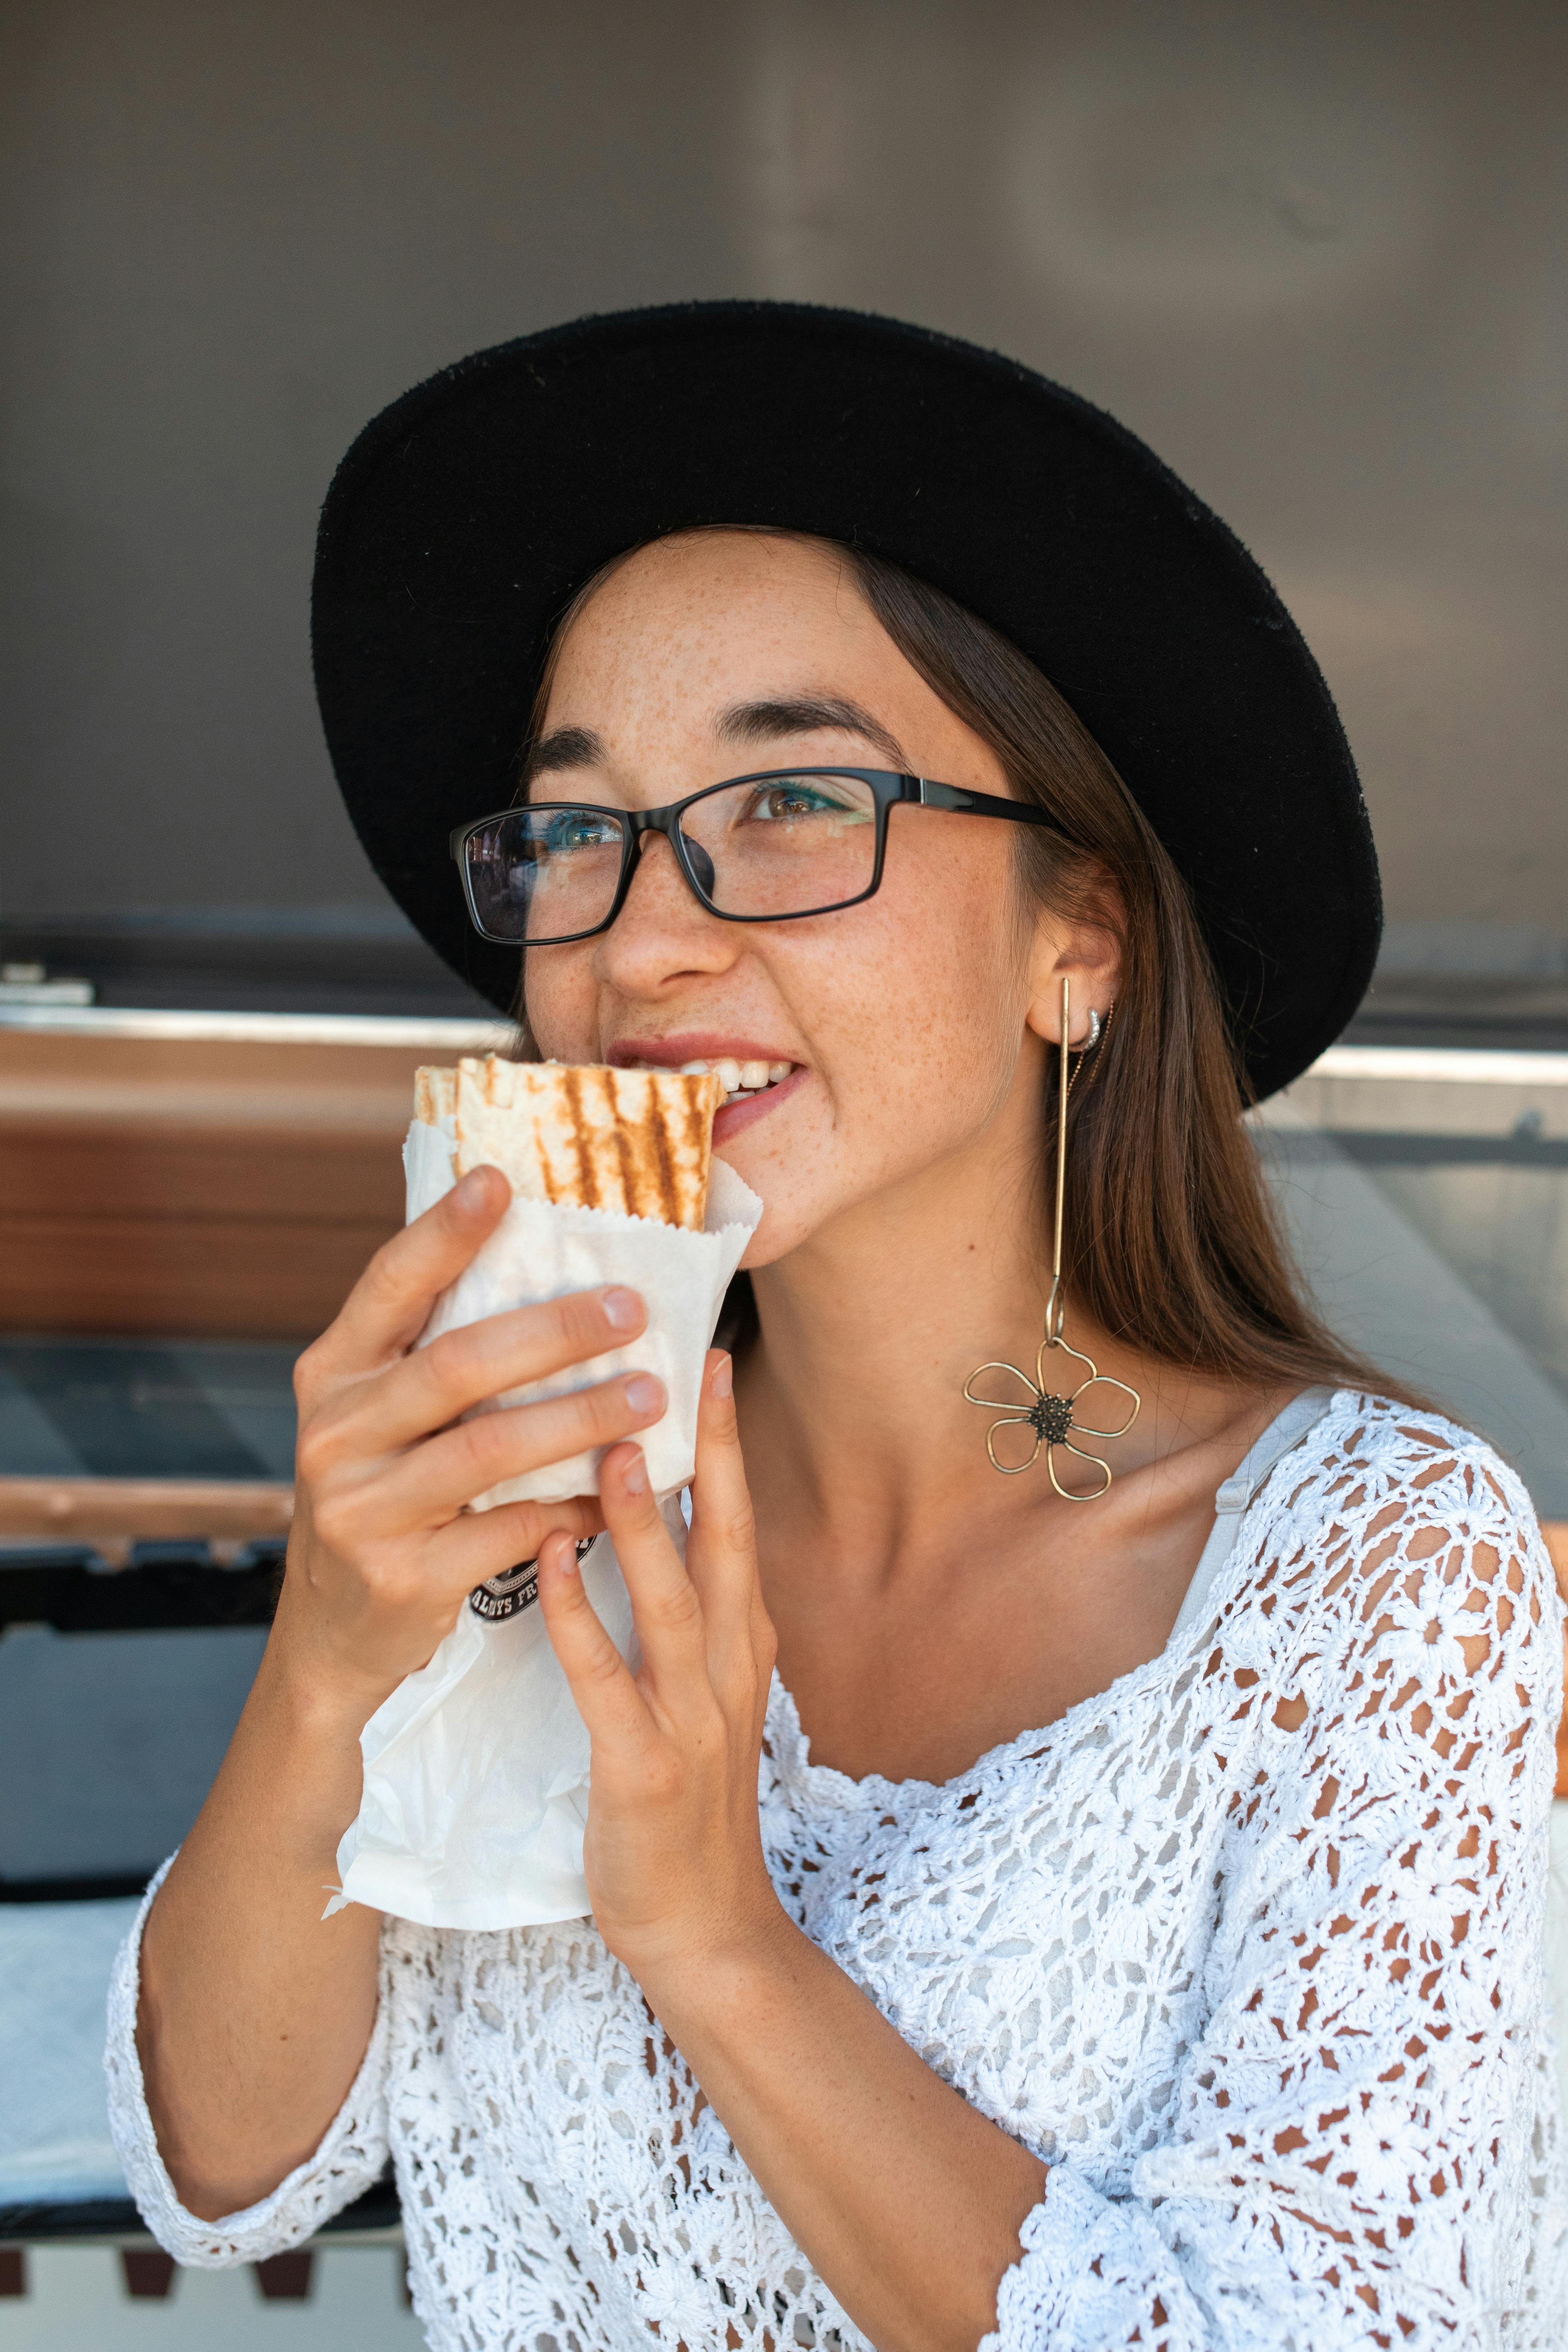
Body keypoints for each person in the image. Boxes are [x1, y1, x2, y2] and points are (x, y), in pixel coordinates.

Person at [107, 305, 1567, 2350]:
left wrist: (721, 1943)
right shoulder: (538, 1498)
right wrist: (337, 1641)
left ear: (1084, 937)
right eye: (578, 831)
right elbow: (223, 2165)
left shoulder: (1377, 1573)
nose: (644, 932)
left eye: (793, 799)